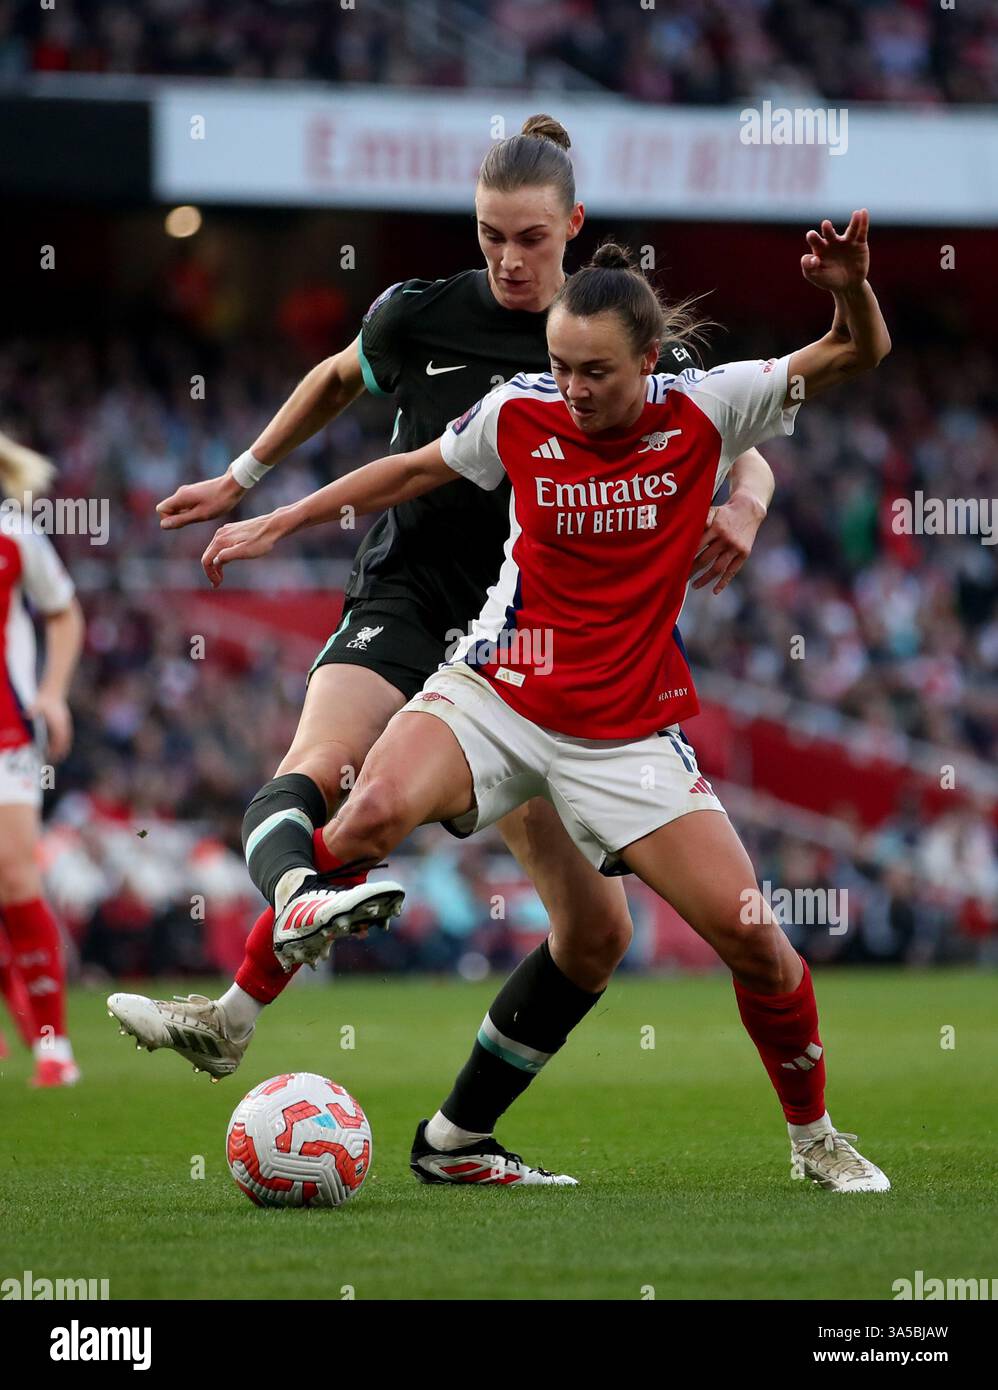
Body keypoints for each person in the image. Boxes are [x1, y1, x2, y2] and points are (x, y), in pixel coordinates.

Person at [110, 117, 775, 1182]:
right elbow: (334, 380)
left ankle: (455, 1140)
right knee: (325, 778)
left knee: (595, 934)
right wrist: (244, 478)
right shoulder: (418, 312)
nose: (507, 260)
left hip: (534, 653)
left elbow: (733, 432)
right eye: (488, 236)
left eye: (527, 238)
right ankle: (254, 974)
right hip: (411, 602)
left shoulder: (609, 337)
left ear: (573, 229)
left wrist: (743, 504)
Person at [186, 213, 893, 1193]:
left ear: (648, 360)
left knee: (753, 942)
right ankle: (233, 1014)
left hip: (625, 733)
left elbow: (857, 348)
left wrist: (847, 287)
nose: (571, 388)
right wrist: (280, 517)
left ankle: (812, 1136)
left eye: (593, 372)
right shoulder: (520, 412)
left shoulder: (709, 406)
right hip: (497, 688)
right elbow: (412, 468)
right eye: (559, 365)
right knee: (364, 815)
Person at [0, 432, 84, 1086]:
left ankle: (52, 1044)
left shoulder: (13, 532)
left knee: (15, 878)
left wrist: (52, 693)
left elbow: (62, 611)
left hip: (6, 728)